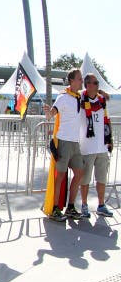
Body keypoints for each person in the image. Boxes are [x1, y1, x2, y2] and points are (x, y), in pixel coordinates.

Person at [44, 69, 86, 222]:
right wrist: (48, 112)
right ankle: (55, 208)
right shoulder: (63, 97)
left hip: (76, 142)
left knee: (79, 173)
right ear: (72, 81)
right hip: (64, 142)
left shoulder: (80, 98)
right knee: (60, 176)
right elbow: (52, 114)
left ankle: (71, 207)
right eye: (79, 79)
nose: (82, 82)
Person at [79, 73, 113, 218]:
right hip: (87, 147)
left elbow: (107, 120)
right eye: (95, 82)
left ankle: (101, 205)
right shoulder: (80, 98)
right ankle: (84, 205)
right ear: (88, 85)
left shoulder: (101, 100)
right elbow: (71, 90)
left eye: (98, 83)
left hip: (102, 146)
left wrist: (110, 139)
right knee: (85, 179)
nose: (98, 85)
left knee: (101, 179)